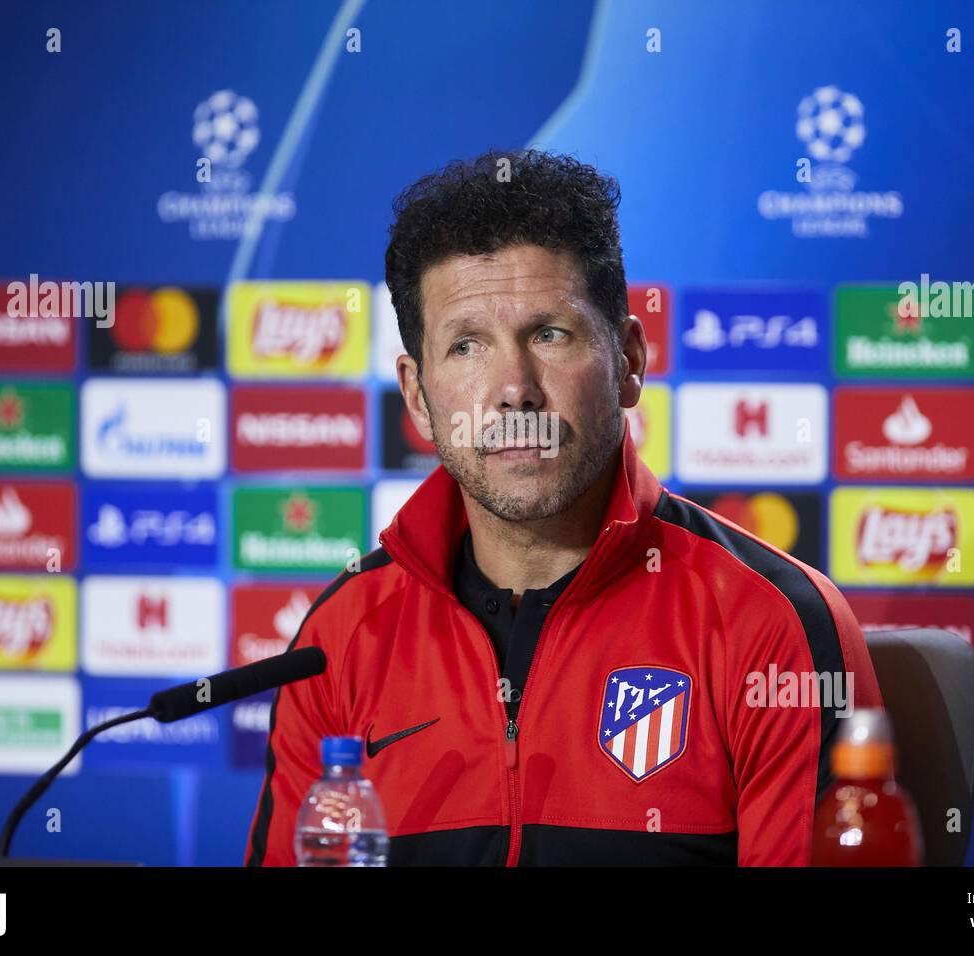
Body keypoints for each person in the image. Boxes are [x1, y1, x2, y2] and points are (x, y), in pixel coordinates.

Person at [246, 149, 881, 866]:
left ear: (629, 361)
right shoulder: (340, 640)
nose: (514, 389)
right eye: (467, 346)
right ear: (418, 395)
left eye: (550, 334)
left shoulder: (772, 624)